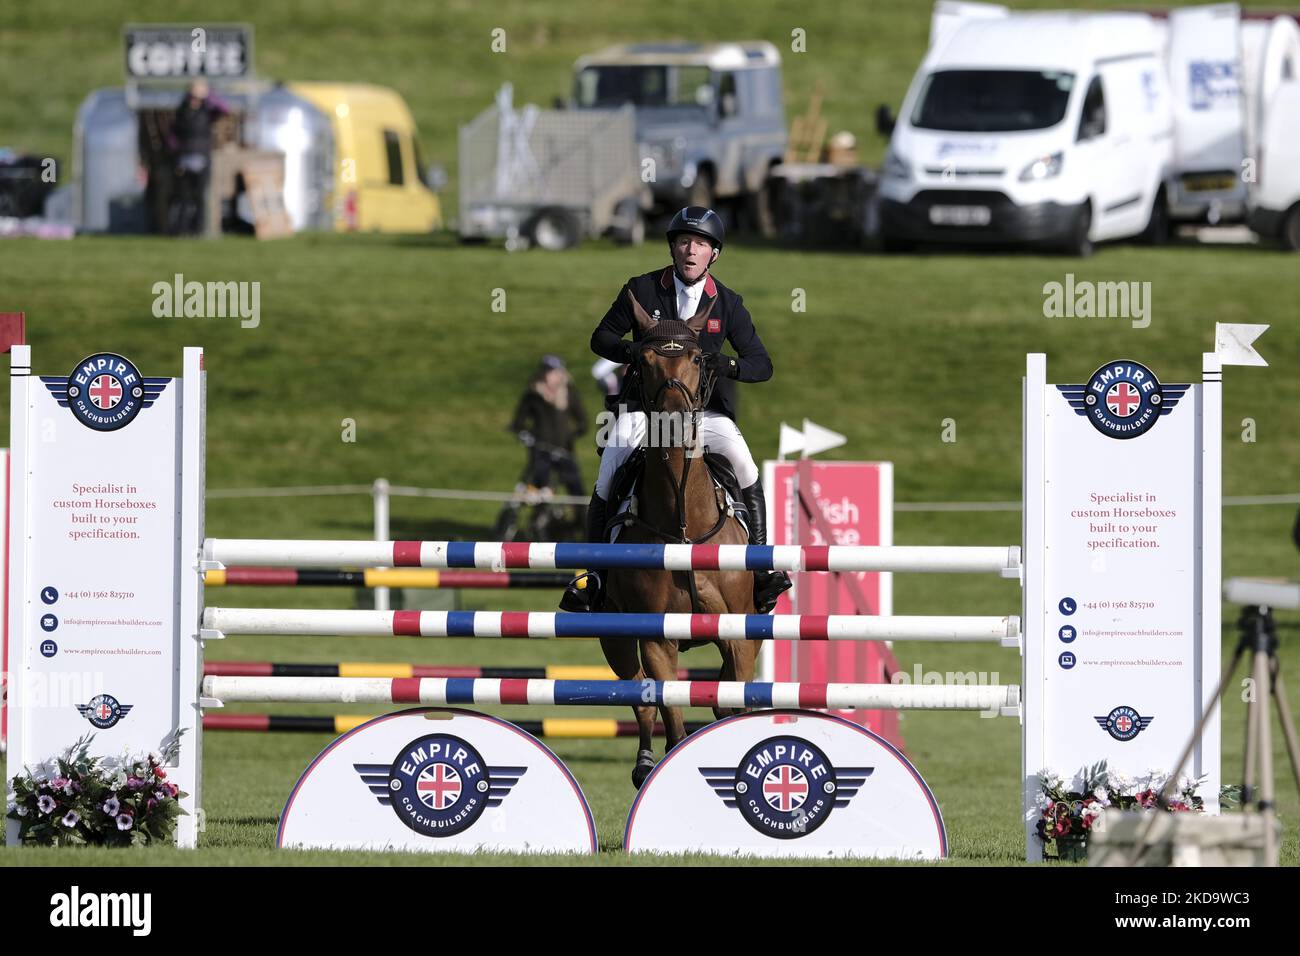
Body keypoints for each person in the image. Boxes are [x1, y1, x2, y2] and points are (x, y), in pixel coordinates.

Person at [560, 206, 792, 614]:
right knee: (609, 468)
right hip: (644, 412)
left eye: (701, 243)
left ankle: (760, 569)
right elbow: (601, 338)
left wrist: (726, 365)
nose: (691, 249)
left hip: (704, 416)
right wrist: (634, 351)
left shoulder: (729, 304)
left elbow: (763, 365)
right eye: (684, 241)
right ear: (672, 247)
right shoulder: (642, 290)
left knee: (745, 463)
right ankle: (593, 575)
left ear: (713, 254)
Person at [509, 355, 586, 502]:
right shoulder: (532, 395)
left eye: (553, 371)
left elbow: (583, 423)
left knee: (576, 489)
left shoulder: (569, 394)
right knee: (538, 488)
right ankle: (537, 521)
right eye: (546, 371)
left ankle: (582, 520)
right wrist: (527, 436)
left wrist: (570, 437)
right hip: (540, 452)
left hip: (564, 451)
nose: (549, 375)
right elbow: (518, 423)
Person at [168, 79, 229, 235]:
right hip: (184, 159)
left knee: (200, 196)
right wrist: (175, 155)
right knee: (183, 197)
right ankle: (181, 229)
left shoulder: (207, 111)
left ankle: (199, 229)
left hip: (202, 158)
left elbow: (224, 109)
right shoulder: (182, 111)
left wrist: (208, 95)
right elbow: (173, 136)